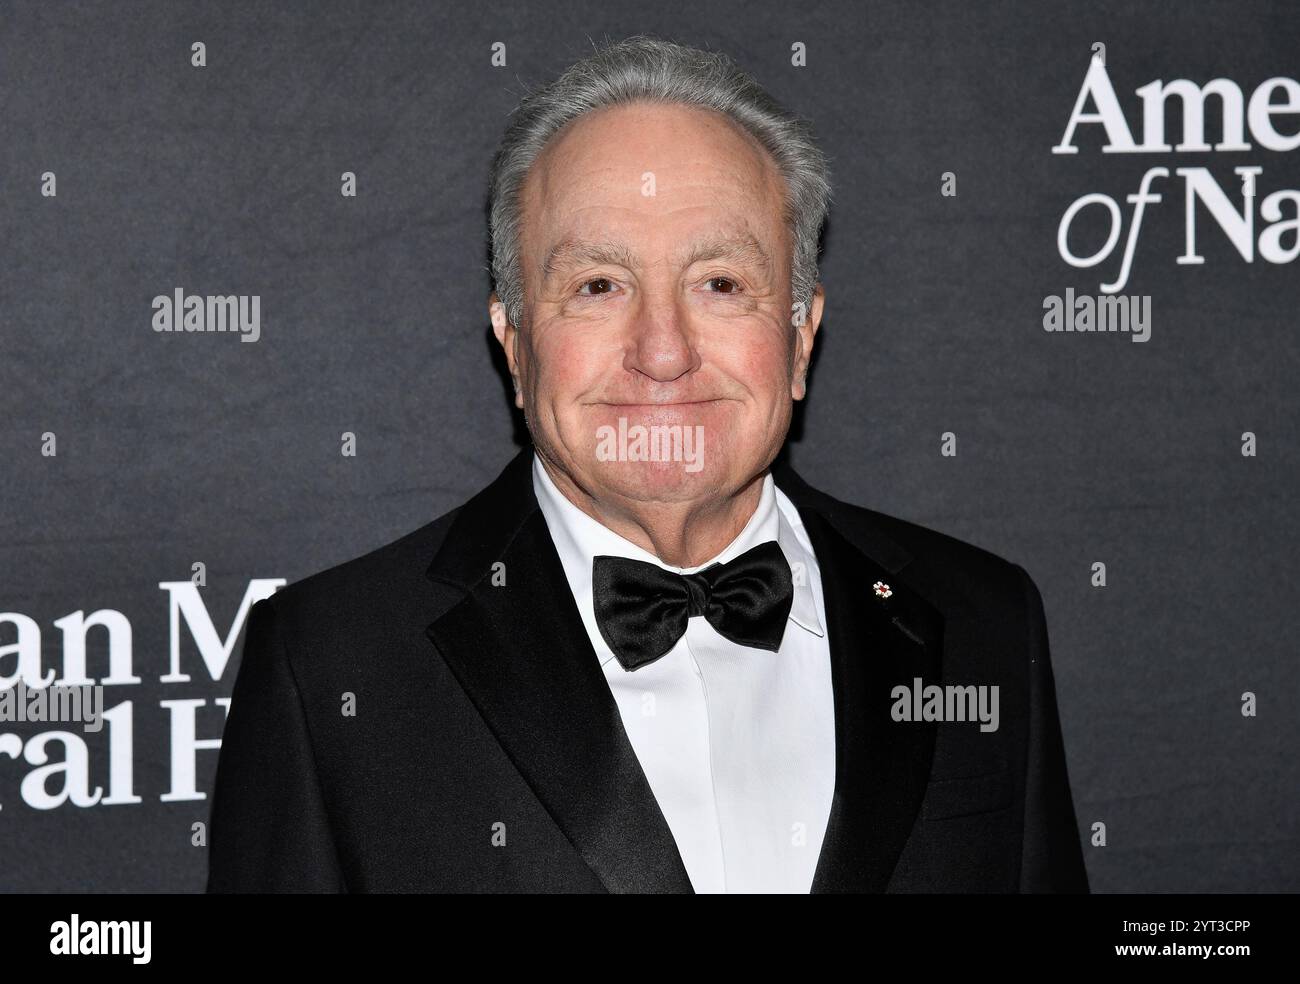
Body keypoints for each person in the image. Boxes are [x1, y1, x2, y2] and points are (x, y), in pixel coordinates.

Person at [207, 36, 1088, 893]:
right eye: (598, 286)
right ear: (514, 345)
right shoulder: (335, 668)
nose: (662, 351)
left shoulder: (984, 623)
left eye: (720, 283)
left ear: (802, 337)